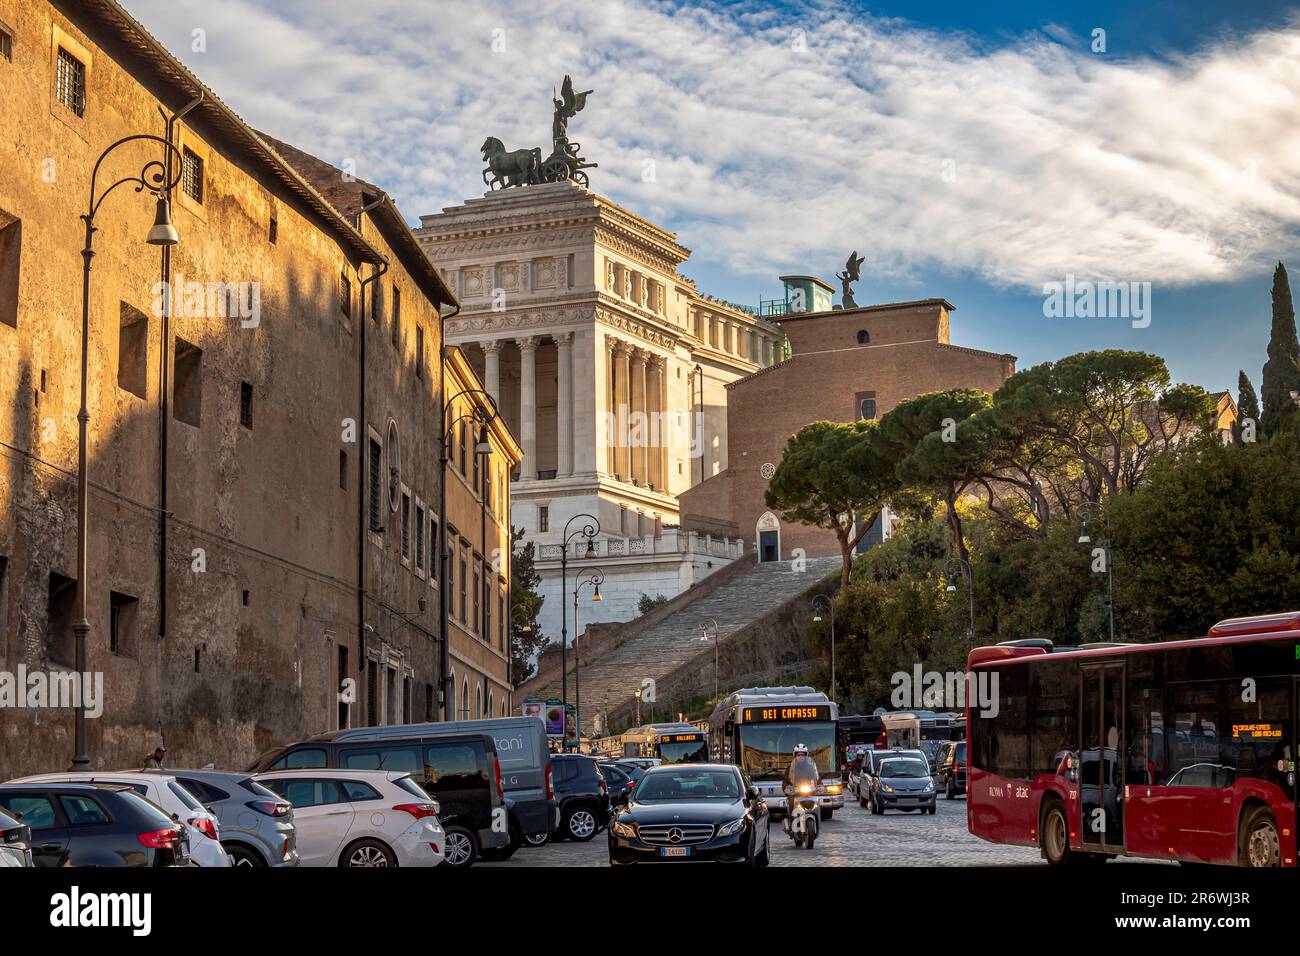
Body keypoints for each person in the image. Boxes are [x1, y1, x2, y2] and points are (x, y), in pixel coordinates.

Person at [782, 743, 821, 818]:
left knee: (817, 803)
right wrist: (786, 788)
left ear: (806, 756)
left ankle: (816, 822)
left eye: (803, 755)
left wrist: (820, 785)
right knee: (791, 801)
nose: (800, 757)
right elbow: (786, 780)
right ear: (795, 756)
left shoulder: (811, 767)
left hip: (809, 792)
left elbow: (816, 777)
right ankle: (791, 823)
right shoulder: (790, 768)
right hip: (795, 793)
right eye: (798, 755)